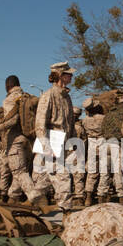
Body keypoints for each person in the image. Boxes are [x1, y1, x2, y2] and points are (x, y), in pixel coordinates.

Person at [0, 75, 46, 205]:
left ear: (7, 86)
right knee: (21, 171)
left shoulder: (10, 100)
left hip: (15, 140)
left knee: (19, 171)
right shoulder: (27, 97)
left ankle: (35, 198)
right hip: (28, 140)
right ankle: (13, 197)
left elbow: (14, 119)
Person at [36, 63, 76, 208]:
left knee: (44, 179)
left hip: (63, 141)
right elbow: (40, 124)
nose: (71, 76)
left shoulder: (66, 97)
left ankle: (33, 201)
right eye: (68, 74)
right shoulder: (48, 95)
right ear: (60, 75)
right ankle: (66, 212)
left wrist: (73, 144)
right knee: (63, 177)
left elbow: (71, 123)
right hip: (52, 139)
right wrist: (47, 146)